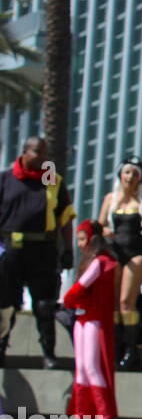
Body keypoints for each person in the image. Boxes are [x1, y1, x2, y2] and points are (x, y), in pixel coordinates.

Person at [0, 136, 75, 370]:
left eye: (45, 153)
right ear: (24, 153)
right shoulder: (6, 179)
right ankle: (1, 350)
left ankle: (49, 355)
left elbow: (65, 216)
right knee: (6, 304)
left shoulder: (49, 176)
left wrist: (68, 249)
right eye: (38, 153)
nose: (43, 158)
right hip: (10, 251)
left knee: (44, 305)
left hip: (44, 251)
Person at [97, 157, 142, 369]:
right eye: (127, 173)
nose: (130, 177)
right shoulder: (109, 199)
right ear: (120, 175)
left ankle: (131, 350)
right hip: (115, 252)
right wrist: (104, 230)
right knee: (114, 301)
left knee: (126, 301)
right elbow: (99, 225)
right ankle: (116, 349)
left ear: (141, 177)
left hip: (137, 253)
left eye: (135, 174)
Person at [62, 221, 119, 419]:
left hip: (94, 321)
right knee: (82, 370)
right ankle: (80, 418)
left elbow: (79, 288)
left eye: (82, 239)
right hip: (84, 320)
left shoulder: (101, 261)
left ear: (93, 238)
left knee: (92, 368)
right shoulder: (97, 261)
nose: (79, 244)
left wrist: (67, 300)